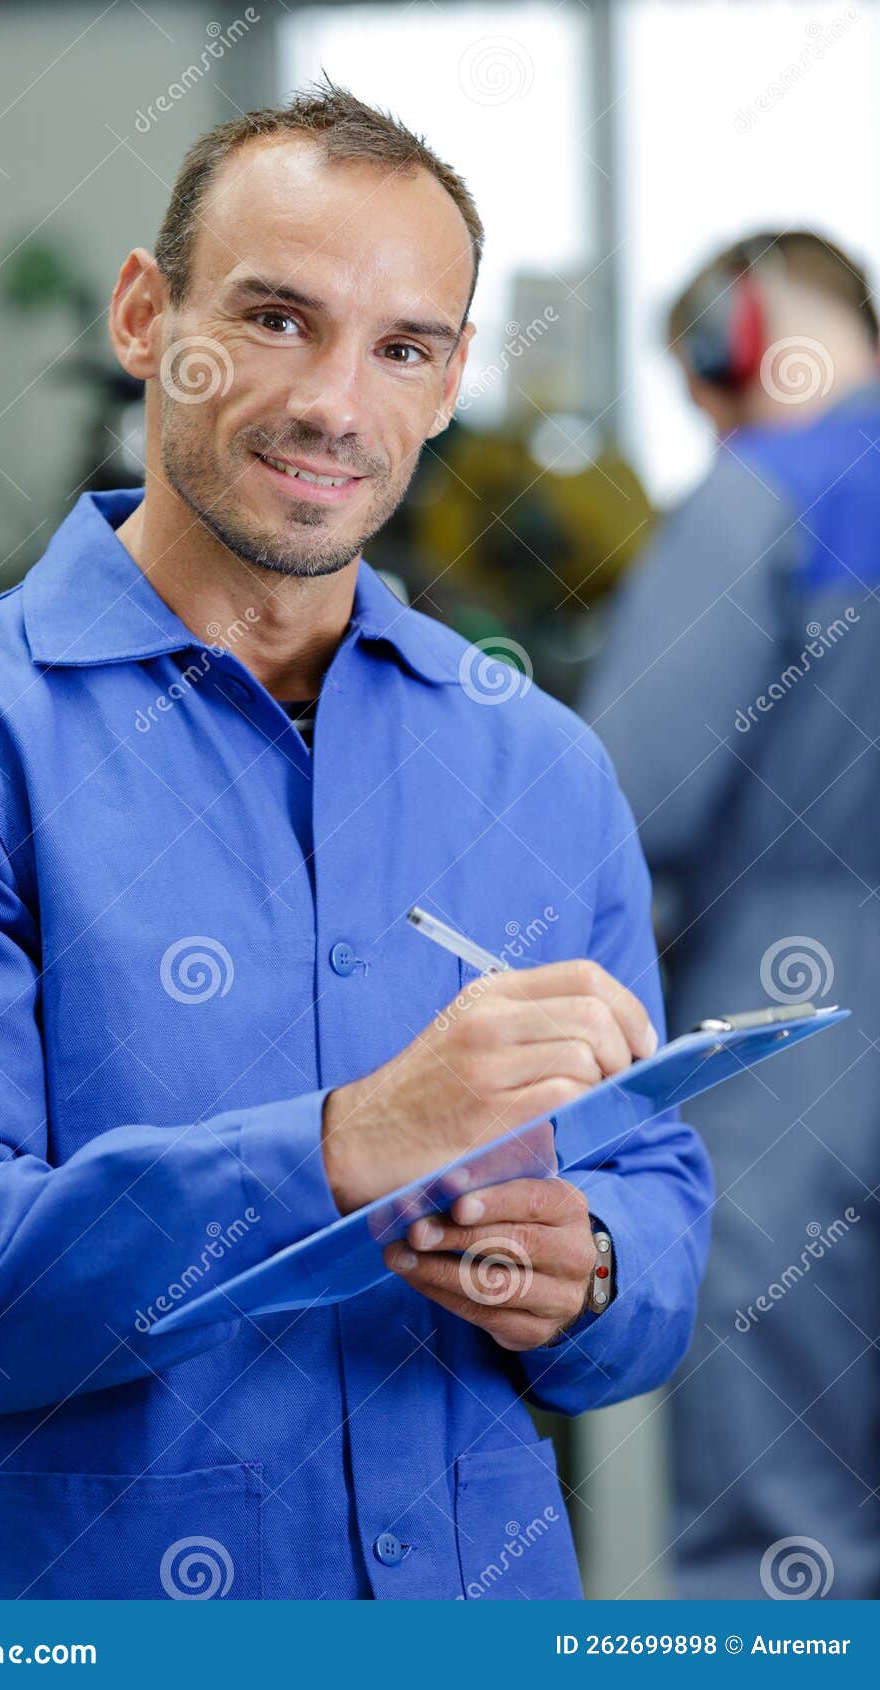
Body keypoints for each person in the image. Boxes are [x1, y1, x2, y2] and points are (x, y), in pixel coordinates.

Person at [0, 81, 710, 1602]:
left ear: (446, 386)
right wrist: (343, 1145)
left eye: (401, 348)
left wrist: (599, 1270)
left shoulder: (539, 762)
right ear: (146, 316)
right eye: (280, 318)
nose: (333, 403)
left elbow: (659, 1188)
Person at [581, 231, 880, 1598]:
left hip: (801, 1030)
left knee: (788, 1543)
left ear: (737, 347)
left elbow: (635, 797)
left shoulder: (767, 493)